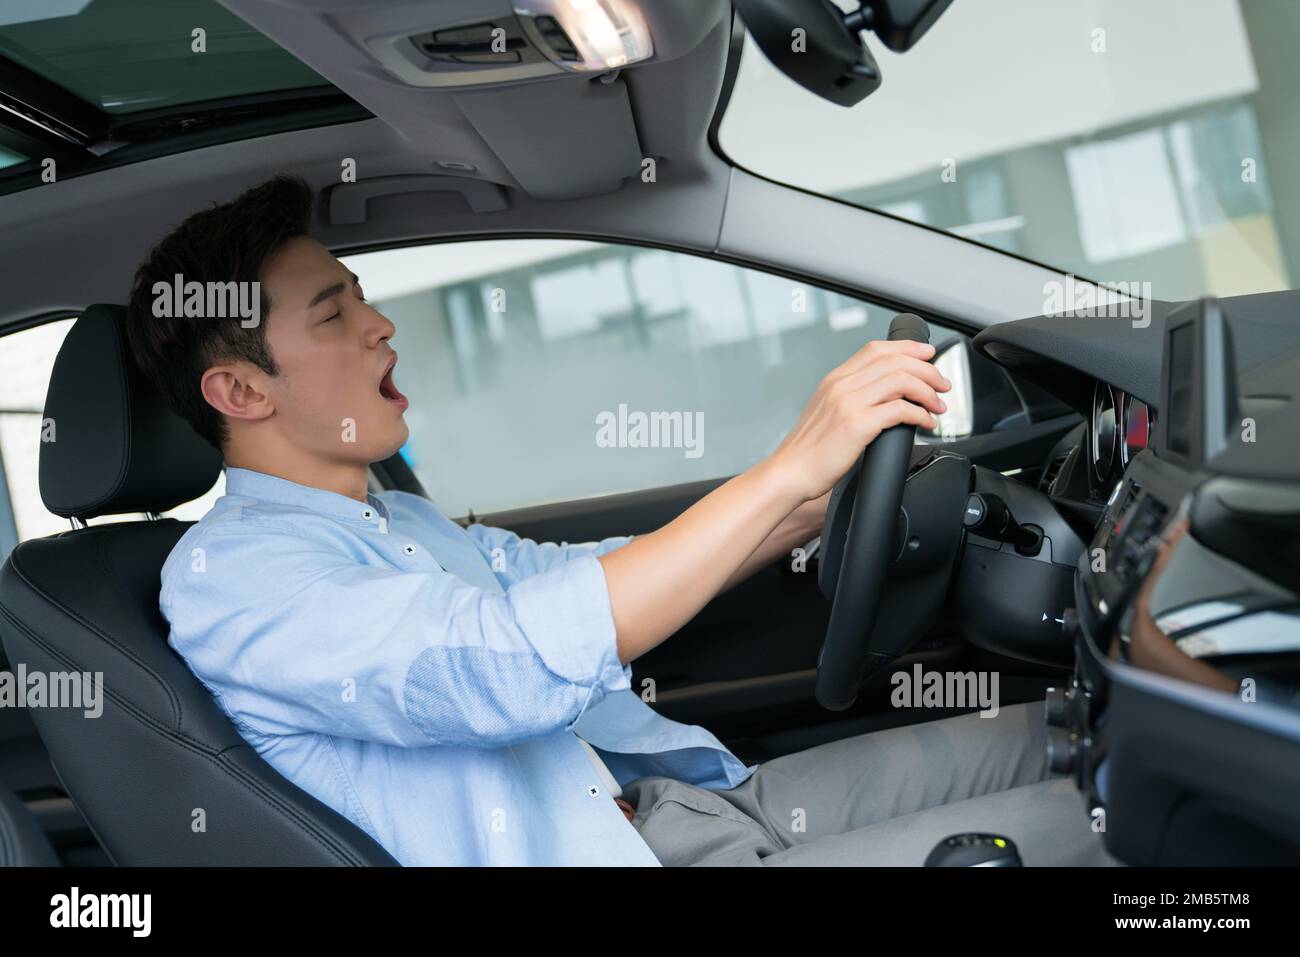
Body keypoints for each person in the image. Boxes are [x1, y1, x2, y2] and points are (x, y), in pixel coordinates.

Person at [126, 174, 1113, 866]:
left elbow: (586, 573)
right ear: (239, 391)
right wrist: (779, 473)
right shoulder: (235, 580)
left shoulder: (394, 520)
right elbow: (501, 665)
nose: (379, 325)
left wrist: (812, 500)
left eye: (363, 298)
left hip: (689, 809)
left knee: (1089, 737)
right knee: (1127, 820)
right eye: (333, 314)